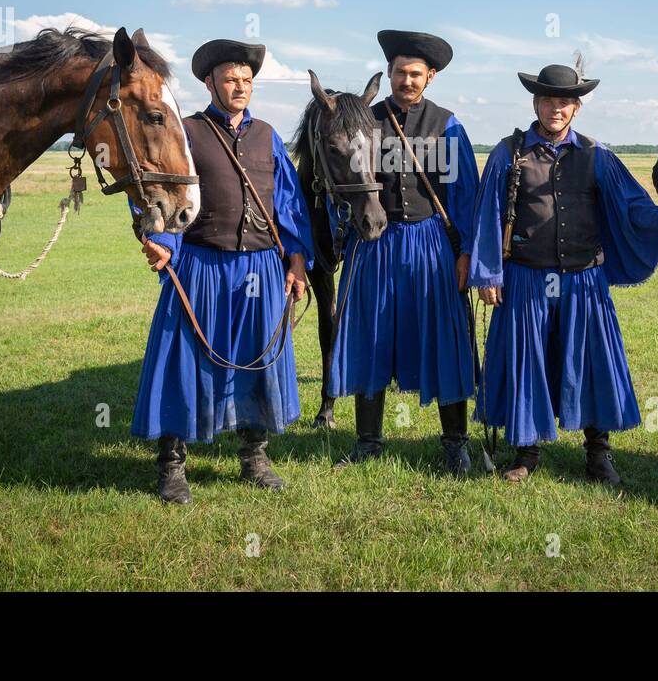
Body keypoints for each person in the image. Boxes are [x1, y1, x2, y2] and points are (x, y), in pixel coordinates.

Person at [469, 62, 658, 485]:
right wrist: (488, 275)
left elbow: (633, 203)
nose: (555, 109)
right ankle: (526, 452)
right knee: (529, 364)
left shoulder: (597, 155)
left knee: (592, 365)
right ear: (535, 102)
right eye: (547, 101)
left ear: (576, 107)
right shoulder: (509, 151)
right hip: (526, 279)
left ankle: (598, 454)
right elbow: (486, 214)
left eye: (563, 102)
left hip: (583, 282)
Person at [132, 39, 314, 502]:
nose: (240, 87)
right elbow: (158, 188)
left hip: (261, 268)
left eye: (247, 80)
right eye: (231, 79)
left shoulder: (269, 135)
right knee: (185, 361)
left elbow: (289, 206)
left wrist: (296, 262)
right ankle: (172, 464)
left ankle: (254, 457)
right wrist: (165, 243)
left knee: (257, 360)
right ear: (209, 82)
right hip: (200, 265)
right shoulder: (186, 131)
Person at [330, 30, 480, 475]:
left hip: (430, 243)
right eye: (400, 73)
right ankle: (368, 442)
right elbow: (341, 177)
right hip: (374, 244)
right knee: (369, 334)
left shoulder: (447, 125)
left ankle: (455, 444)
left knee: (445, 337)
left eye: (416, 74)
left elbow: (465, 195)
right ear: (390, 74)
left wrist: (467, 253)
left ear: (430, 77)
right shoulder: (365, 121)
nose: (407, 80)